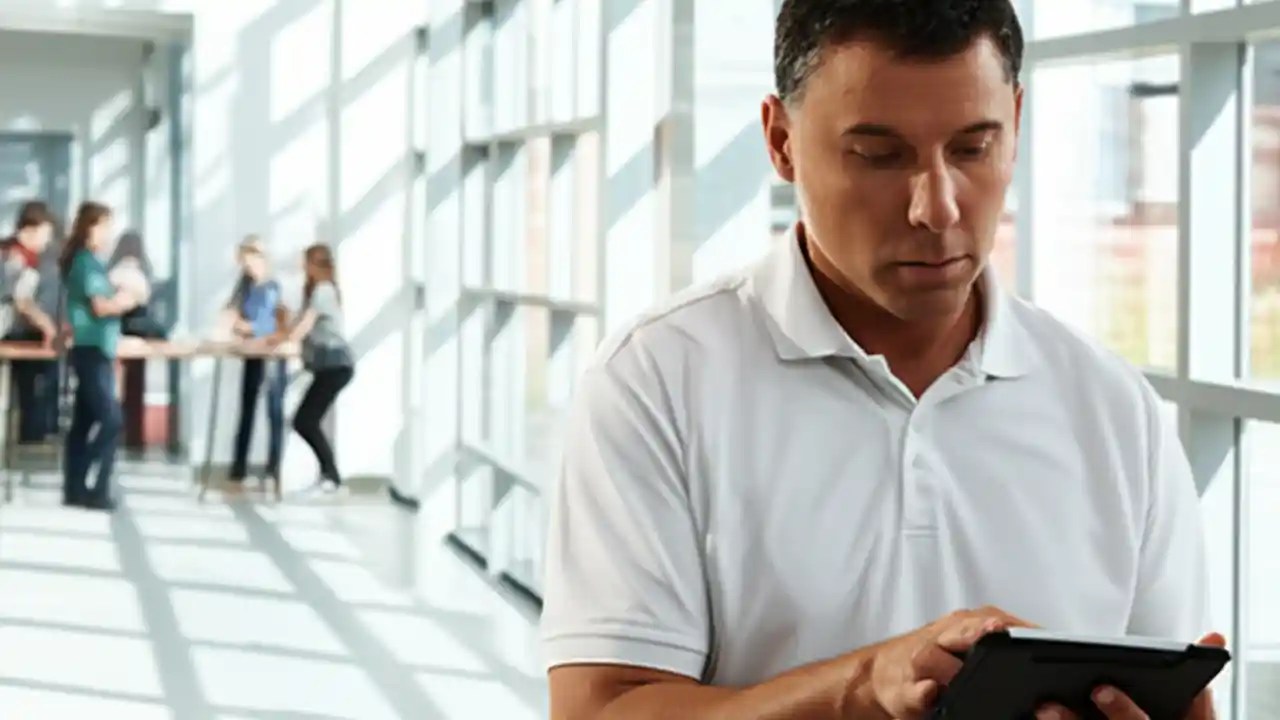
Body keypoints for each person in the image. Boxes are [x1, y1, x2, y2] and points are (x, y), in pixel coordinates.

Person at [541, 2, 1223, 720]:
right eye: (879, 155)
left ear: (1015, 124)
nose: (937, 209)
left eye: (971, 149)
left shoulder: (1114, 407)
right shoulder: (656, 381)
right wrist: (862, 687)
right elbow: (600, 710)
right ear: (780, 141)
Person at [60, 201, 135, 511]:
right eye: (103, 226)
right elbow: (100, 306)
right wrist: (126, 300)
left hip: (94, 347)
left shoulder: (90, 262)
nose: (108, 233)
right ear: (89, 227)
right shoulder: (86, 263)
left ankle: (75, 488)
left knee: (84, 421)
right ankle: (93, 484)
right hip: (91, 349)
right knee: (112, 419)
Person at [269, 244, 353, 494]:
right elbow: (298, 326)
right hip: (326, 367)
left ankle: (332, 478)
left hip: (337, 365)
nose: (303, 268)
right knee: (307, 421)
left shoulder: (324, 290)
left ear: (316, 265)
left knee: (305, 420)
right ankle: (329, 475)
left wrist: (287, 339)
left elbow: (303, 326)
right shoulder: (315, 291)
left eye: (306, 263)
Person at [220, 236, 288, 486]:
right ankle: (238, 467)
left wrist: (246, 326)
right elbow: (231, 312)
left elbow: (269, 324)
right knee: (246, 409)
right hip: (251, 353)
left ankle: (274, 468)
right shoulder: (245, 286)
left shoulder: (272, 287)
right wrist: (236, 324)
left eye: (248, 261)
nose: (246, 267)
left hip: (271, 355)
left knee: (274, 411)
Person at [3, 201, 59, 444]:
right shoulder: (15, 258)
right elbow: (22, 301)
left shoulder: (17, 255)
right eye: (45, 234)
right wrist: (48, 327)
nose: (46, 242)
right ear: (31, 229)